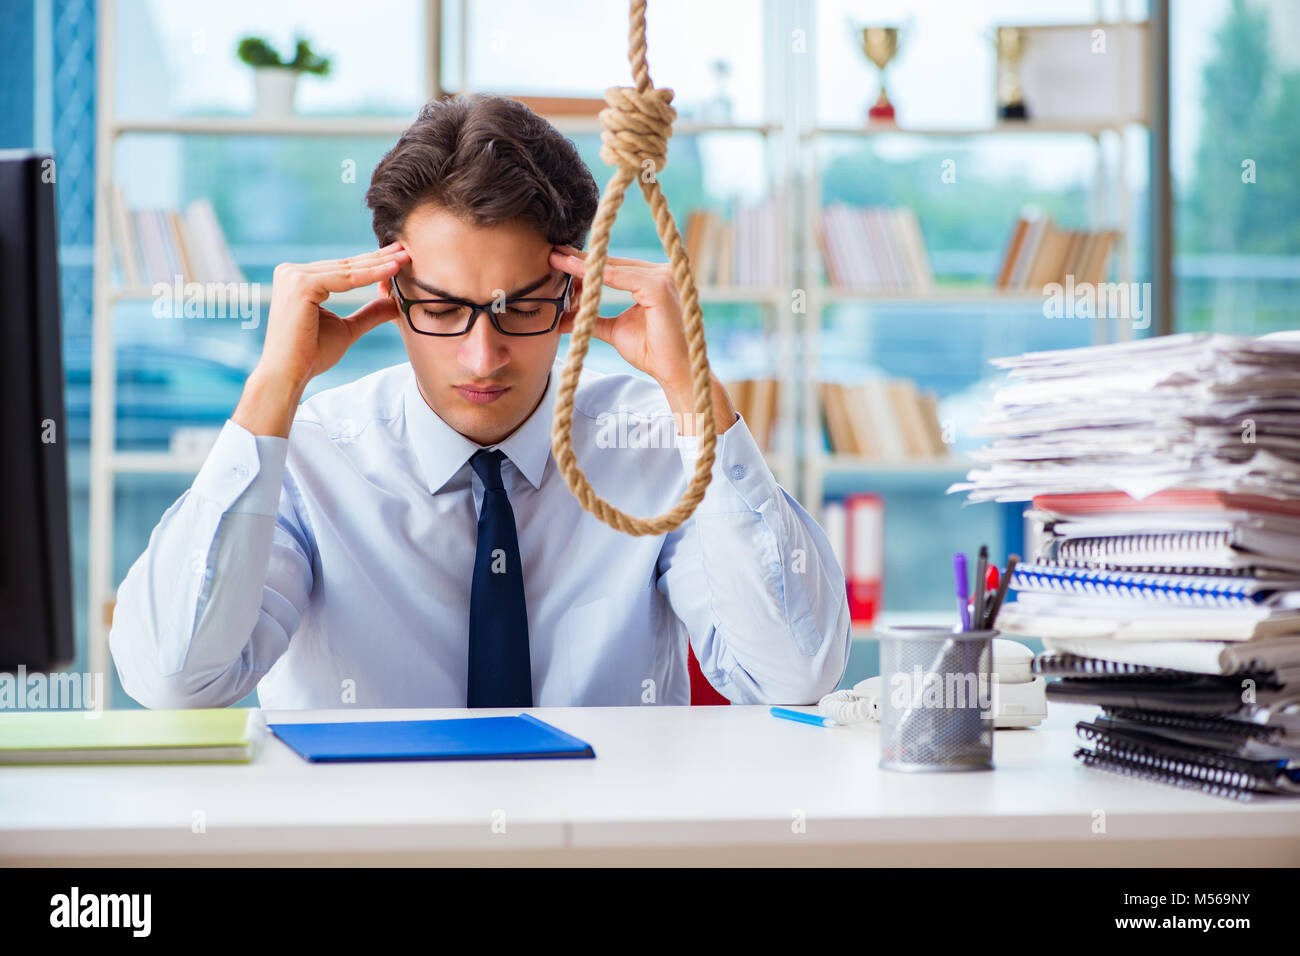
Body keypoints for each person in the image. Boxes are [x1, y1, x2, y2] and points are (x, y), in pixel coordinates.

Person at [110, 93, 851, 709]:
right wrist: (271, 393)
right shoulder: (309, 453)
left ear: (573, 296)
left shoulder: (650, 439)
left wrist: (696, 395)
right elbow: (176, 679)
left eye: (518, 308)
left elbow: (794, 673)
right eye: (440, 308)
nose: (482, 355)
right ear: (391, 296)